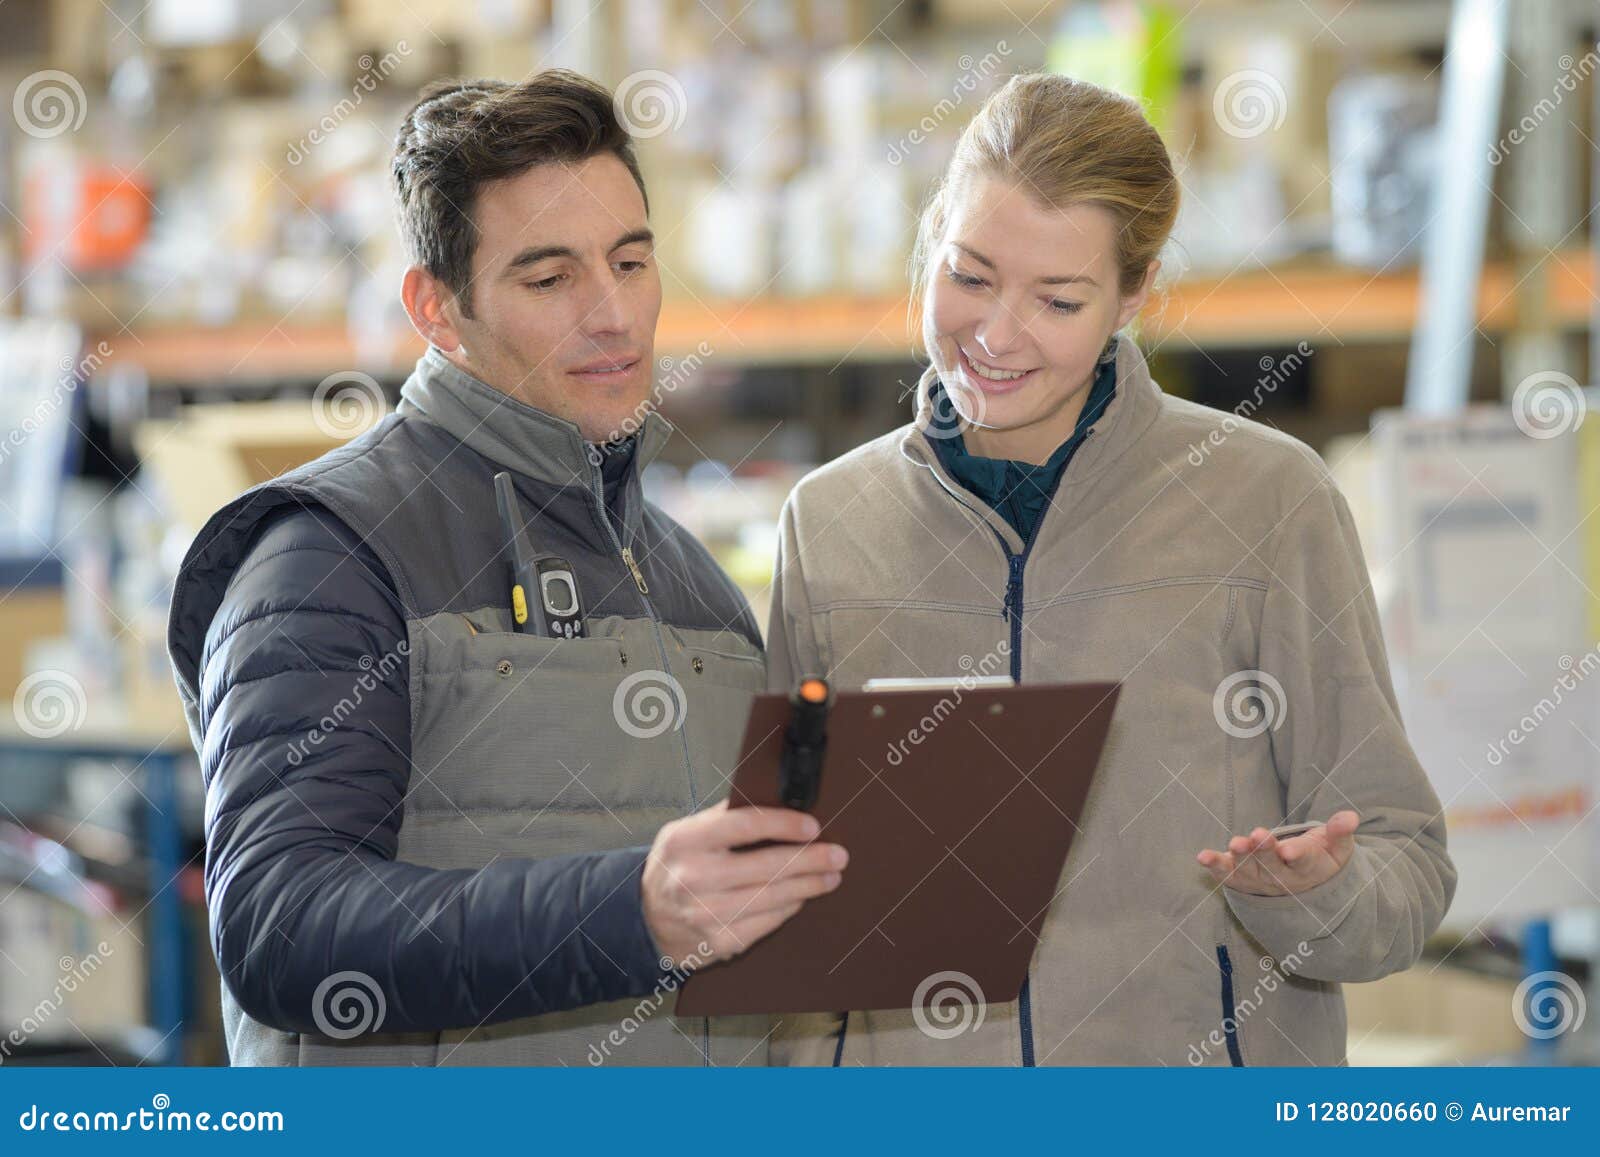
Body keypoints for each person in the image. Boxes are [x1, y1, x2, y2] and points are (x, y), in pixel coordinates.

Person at [765, 73, 1455, 1066]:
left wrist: (1320, 891)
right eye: (968, 275)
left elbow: (1407, 867)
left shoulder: (1266, 499)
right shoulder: (827, 524)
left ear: (1133, 294)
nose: (997, 335)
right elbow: (782, 893)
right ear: (927, 244)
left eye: (1057, 298)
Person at [166, 71, 845, 1066]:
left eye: (630, 260)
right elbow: (278, 924)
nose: (612, 314)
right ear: (438, 309)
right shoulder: (330, 553)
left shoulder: (696, 589)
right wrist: (630, 911)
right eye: (549, 278)